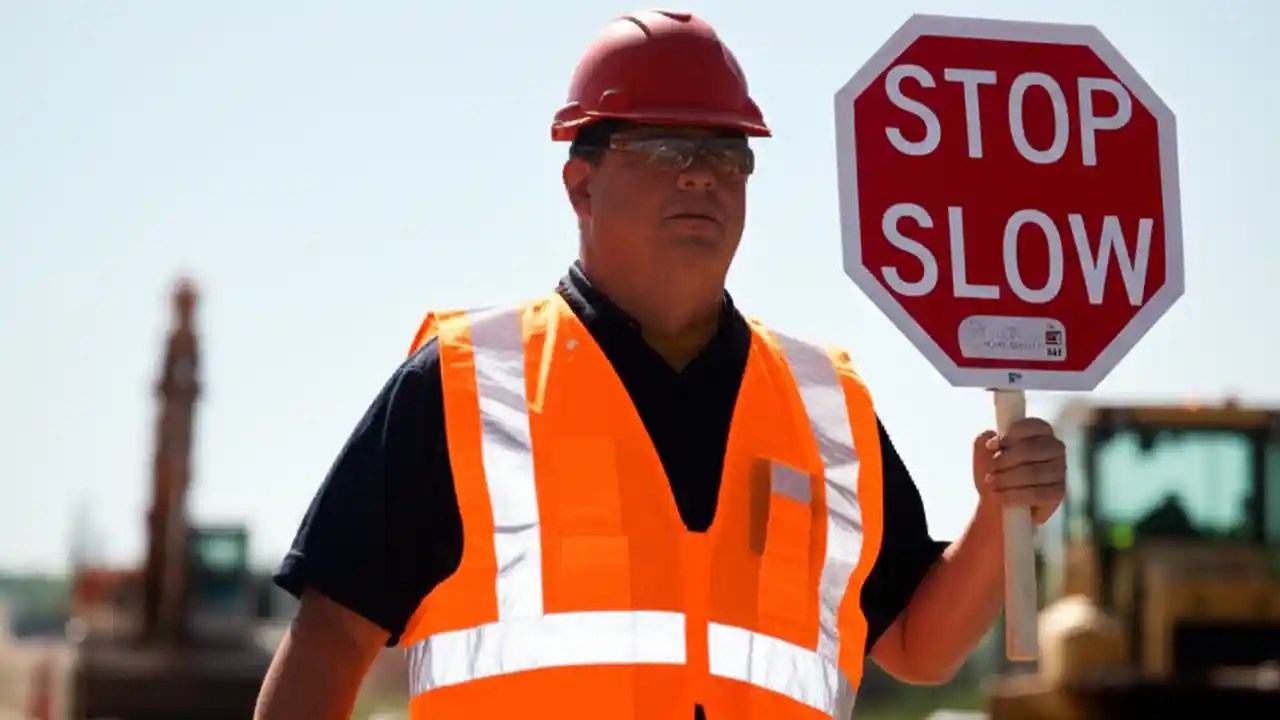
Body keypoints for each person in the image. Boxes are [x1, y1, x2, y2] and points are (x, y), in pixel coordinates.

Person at [253, 10, 1066, 720]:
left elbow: (918, 647)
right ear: (581, 186)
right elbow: (332, 639)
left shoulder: (824, 408)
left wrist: (1003, 513)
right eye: (664, 145)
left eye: (728, 153)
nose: (702, 172)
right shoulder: (466, 386)